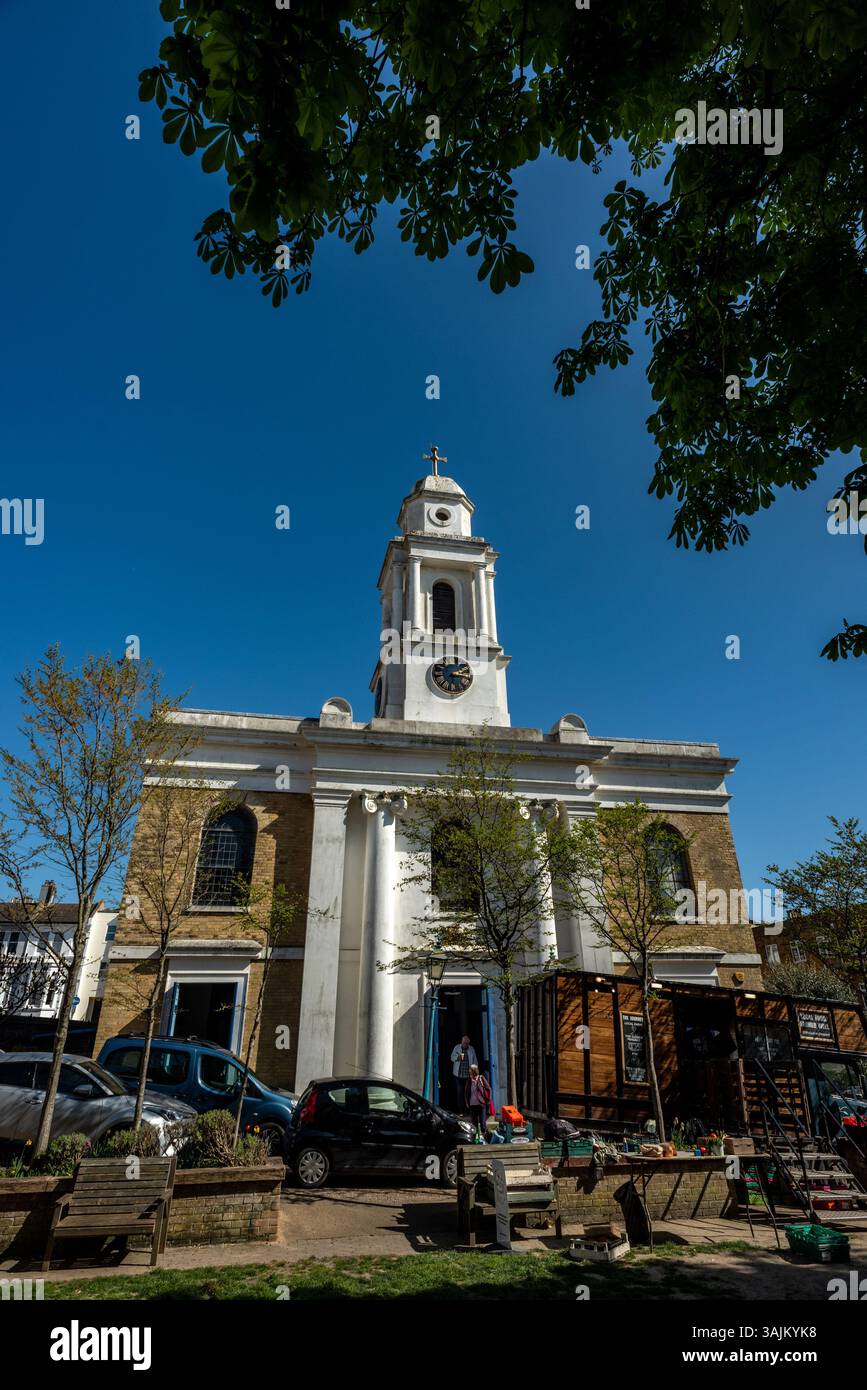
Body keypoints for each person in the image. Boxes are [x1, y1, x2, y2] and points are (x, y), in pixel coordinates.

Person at [465, 1064, 494, 1140]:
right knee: (474, 1124)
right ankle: (476, 1139)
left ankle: (485, 1138)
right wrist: (467, 1102)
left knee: (483, 1125)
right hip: (472, 1105)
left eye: (470, 1069)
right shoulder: (469, 1080)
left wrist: (488, 1100)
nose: (469, 1071)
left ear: (474, 1071)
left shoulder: (481, 1078)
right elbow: (466, 1092)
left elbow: (489, 1089)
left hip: (481, 1105)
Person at [450, 1035, 477, 1112]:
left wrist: (475, 1073)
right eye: (464, 1043)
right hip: (458, 1075)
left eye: (467, 1043)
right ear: (461, 1042)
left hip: (468, 1076)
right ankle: (461, 1110)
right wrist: (458, 1058)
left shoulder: (471, 1049)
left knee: (468, 1093)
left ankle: (468, 1109)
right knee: (460, 1093)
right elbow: (451, 1057)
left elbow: (475, 1060)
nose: (465, 1044)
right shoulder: (457, 1048)